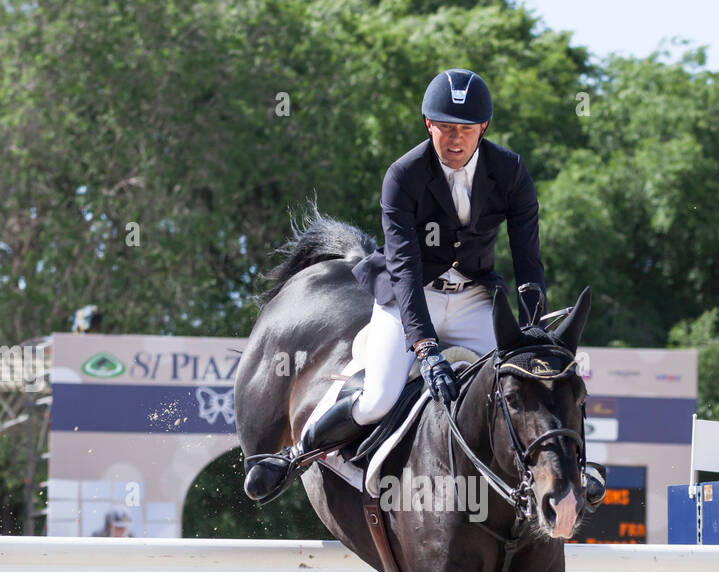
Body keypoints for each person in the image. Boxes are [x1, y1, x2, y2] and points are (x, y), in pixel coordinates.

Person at [244, 68, 602, 510]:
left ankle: (574, 473)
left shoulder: (510, 171)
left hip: (474, 297)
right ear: (428, 124)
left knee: (528, 384)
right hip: (410, 294)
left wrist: (531, 331)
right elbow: (405, 269)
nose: (456, 140)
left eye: (466, 130)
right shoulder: (403, 175)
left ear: (483, 128)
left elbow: (528, 260)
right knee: (377, 398)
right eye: (446, 128)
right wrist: (426, 347)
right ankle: (297, 454)